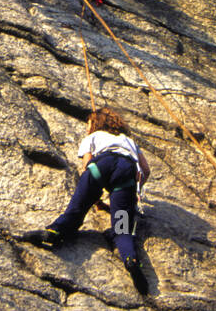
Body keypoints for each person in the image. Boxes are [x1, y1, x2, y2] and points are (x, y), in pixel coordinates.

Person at [24, 108, 150, 295]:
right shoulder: (129, 141)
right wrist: (133, 192)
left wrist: (93, 195)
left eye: (88, 123)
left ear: (96, 123)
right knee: (123, 228)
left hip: (102, 166)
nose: (86, 127)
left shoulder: (92, 137)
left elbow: (87, 164)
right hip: (126, 173)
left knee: (77, 209)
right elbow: (145, 170)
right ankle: (130, 259)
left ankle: (54, 232)